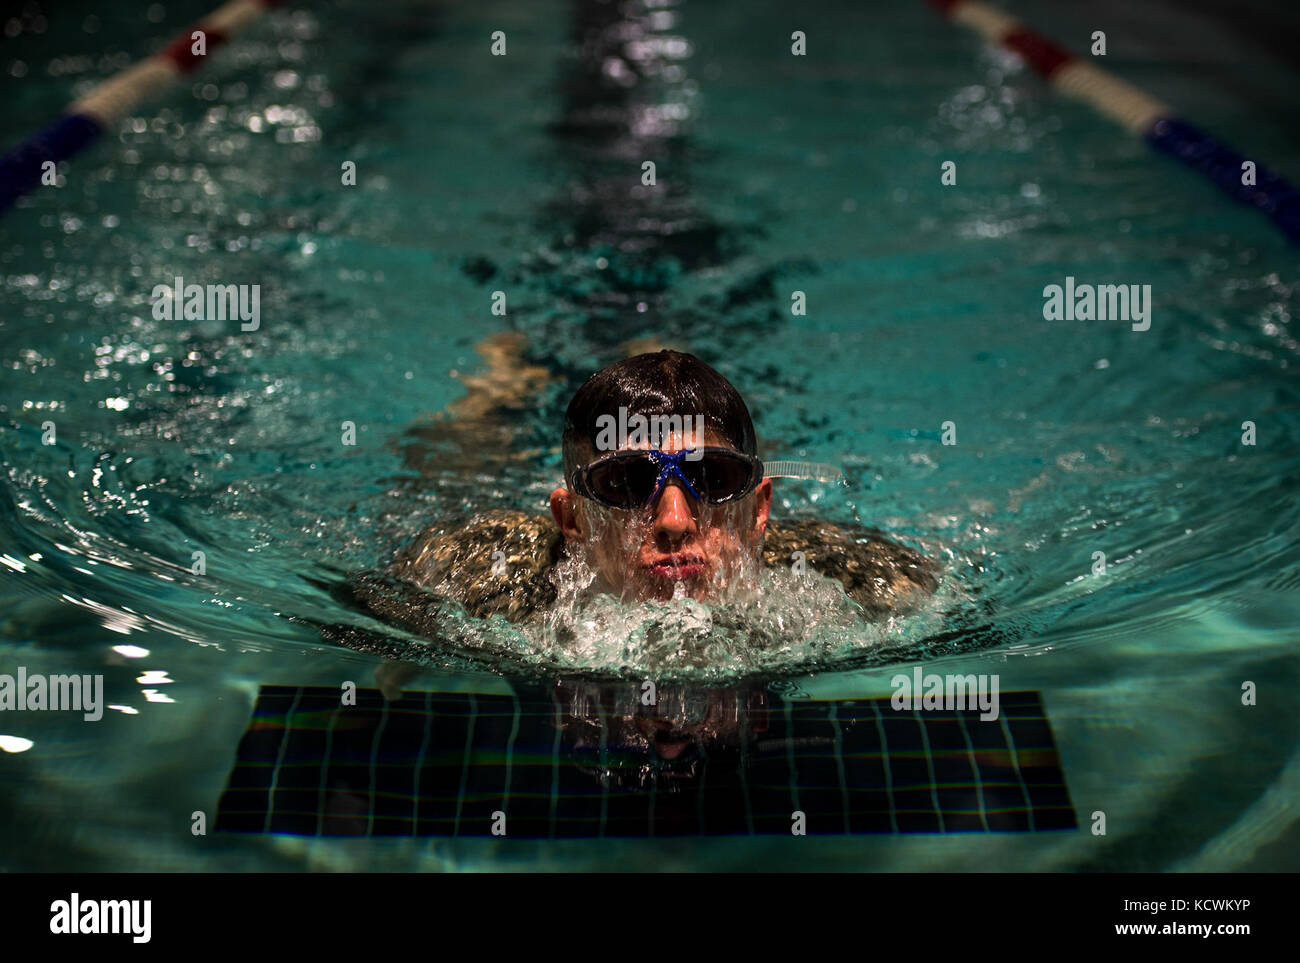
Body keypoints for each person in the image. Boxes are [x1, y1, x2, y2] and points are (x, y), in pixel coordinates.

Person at [349, 347, 937, 697]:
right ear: (572, 518)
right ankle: (501, 366)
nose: (675, 520)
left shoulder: (860, 579)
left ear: (759, 508)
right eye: (626, 483)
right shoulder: (478, 574)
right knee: (472, 434)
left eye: (712, 478)